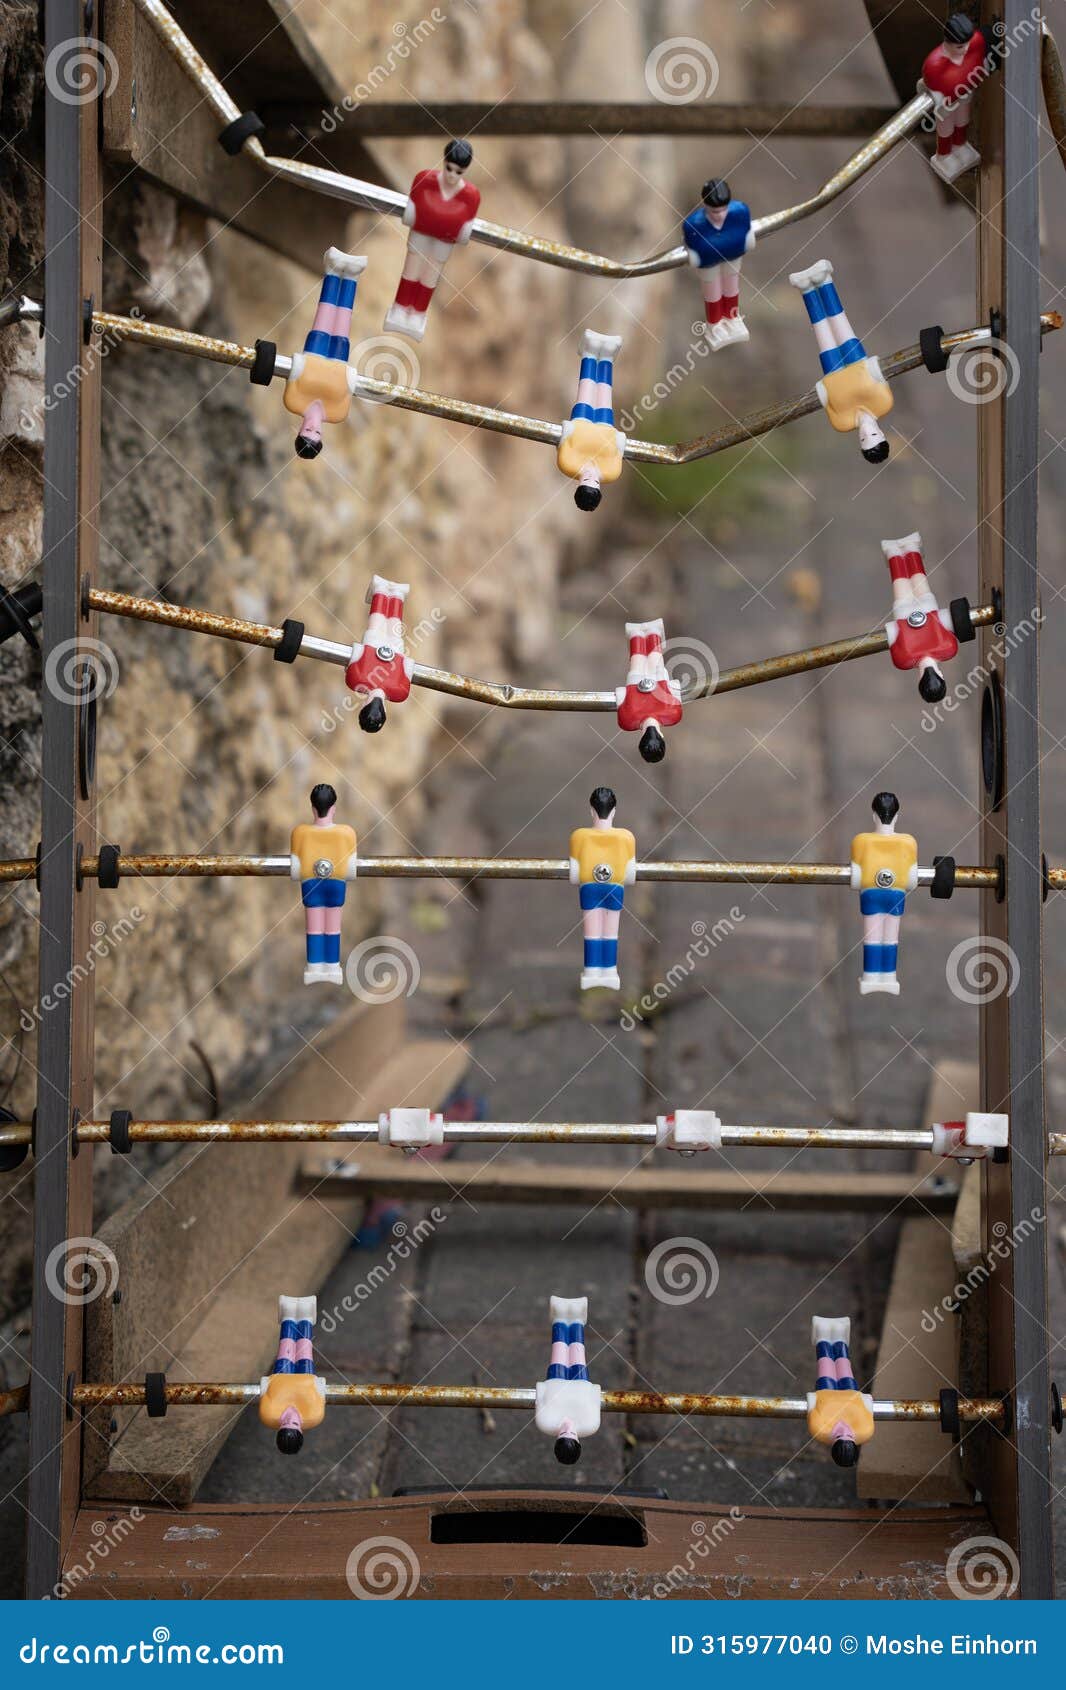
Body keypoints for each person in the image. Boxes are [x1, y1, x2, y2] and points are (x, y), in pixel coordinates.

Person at [789, 259, 892, 463]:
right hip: (857, 362)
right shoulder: (883, 404)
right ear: (881, 434)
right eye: (872, 436)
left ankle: (806, 289)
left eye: (863, 439)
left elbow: (826, 399)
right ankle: (824, 280)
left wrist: (824, 389)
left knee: (821, 329)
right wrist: (872, 369)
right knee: (839, 322)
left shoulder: (842, 423)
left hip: (833, 372)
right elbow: (879, 377)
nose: (865, 433)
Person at [384, 139, 481, 343]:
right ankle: (400, 308)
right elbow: (411, 208)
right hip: (420, 235)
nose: (453, 176)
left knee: (430, 276)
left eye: (459, 172)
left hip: (443, 242)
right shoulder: (425, 180)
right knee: (411, 271)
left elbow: (465, 228)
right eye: (449, 169)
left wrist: (455, 227)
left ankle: (418, 312)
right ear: (444, 162)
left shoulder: (470, 196)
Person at [283, 248, 367, 461]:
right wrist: (349, 378)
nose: (313, 429)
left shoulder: (293, 402)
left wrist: (299, 366)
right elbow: (349, 387)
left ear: (299, 431)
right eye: (317, 434)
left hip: (314, 354)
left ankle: (332, 269)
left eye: (307, 433)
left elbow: (294, 375)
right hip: (339, 360)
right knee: (343, 318)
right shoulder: (338, 414)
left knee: (326, 312)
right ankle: (351, 276)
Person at [849, 792, 918, 995]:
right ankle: (889, 976)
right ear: (897, 816)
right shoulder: (908, 842)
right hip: (896, 895)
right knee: (890, 939)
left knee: (872, 938)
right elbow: (912, 879)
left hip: (871, 894)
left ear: (873, 816)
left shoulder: (861, 841)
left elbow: (856, 875)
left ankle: (870, 976)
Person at [569, 787, 636, 990]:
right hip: (615, 888)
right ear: (614, 811)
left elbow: (574, 872)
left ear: (591, 811)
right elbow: (631, 873)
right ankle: (609, 971)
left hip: (589, 887)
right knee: (610, 933)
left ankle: (591, 971)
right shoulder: (626, 837)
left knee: (591, 932)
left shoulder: (579, 837)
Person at [290, 784, 358, 985]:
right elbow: (351, 868)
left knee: (314, 928)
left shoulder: (300, 833)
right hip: (336, 884)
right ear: (334, 808)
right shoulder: (347, 833)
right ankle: (332, 966)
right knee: (332, 929)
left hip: (311, 884)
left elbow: (295, 868)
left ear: (312, 808)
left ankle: (314, 967)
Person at [882, 532, 958, 702]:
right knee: (900, 582)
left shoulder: (948, 648)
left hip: (928, 608)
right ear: (918, 681)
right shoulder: (902, 660)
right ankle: (893, 552)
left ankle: (911, 548)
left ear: (941, 675)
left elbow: (947, 620)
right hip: (903, 612)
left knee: (918, 578)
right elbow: (891, 633)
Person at [556, 330, 626, 511]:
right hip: (605, 427)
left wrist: (568, 431)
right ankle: (607, 358)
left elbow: (566, 440)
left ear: (579, 484)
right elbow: (618, 448)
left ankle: (590, 352)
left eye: (587, 480)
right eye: (595, 482)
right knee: (604, 392)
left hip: (582, 423)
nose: (591, 476)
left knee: (586, 388)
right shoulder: (611, 472)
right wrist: (619, 441)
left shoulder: (568, 465)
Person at [682, 177, 755, 348]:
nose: (720, 214)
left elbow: (746, 231)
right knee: (713, 292)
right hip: (709, 264)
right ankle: (714, 324)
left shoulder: (740, 213)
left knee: (731, 288)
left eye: (723, 209)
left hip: (733, 258)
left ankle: (732, 317)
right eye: (715, 212)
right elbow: (692, 244)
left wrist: (747, 237)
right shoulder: (694, 225)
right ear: (706, 207)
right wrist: (693, 254)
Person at [920, 13, 987, 183]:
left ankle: (960, 145)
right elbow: (937, 83)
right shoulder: (935, 64)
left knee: (962, 120)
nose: (964, 50)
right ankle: (944, 156)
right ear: (948, 43)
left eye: (966, 45)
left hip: (964, 95)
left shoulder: (974, 44)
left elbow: (977, 61)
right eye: (959, 47)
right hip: (945, 103)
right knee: (946, 128)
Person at [534, 1295, 600, 1465]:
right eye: (571, 1436)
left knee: (560, 1349)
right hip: (580, 1384)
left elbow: (540, 1397)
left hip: (556, 1381)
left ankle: (561, 1316)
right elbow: (595, 1397)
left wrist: (542, 1387)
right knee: (577, 1350)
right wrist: (594, 1389)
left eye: (563, 1436)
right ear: (578, 1442)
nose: (567, 1431)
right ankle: (576, 1318)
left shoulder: (546, 1423)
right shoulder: (590, 1425)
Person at [345, 575, 415, 732]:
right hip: (374, 643)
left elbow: (408, 666)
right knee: (379, 621)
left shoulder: (400, 692)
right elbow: (356, 652)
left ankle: (397, 593)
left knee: (393, 624)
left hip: (395, 649)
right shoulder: (356, 680)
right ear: (363, 705)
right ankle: (381, 589)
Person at [258, 1295, 326, 1454]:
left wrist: (266, 1385)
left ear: (279, 1430)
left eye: (285, 1425)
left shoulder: (269, 1415)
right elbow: (319, 1394)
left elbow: (266, 1392)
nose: (290, 1421)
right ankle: (305, 1316)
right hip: (305, 1377)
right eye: (294, 1425)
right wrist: (319, 1386)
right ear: (301, 1431)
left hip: (281, 1377)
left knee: (286, 1345)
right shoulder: (313, 1416)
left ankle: (288, 1315)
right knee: (304, 1345)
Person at [806, 1316, 874, 1468]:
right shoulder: (865, 1430)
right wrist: (865, 1401)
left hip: (827, 1391)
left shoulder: (821, 1430)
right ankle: (839, 1338)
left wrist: (812, 1400)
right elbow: (867, 1408)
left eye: (840, 1439)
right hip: (850, 1392)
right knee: (843, 1363)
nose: (844, 1434)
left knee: (826, 1362)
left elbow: (813, 1408)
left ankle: (823, 1336)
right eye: (848, 1440)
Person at [616, 618, 683, 762]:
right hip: (639, 680)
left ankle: (651, 632)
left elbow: (675, 687)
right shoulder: (627, 720)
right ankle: (637, 634)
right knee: (639, 660)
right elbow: (620, 694)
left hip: (655, 679)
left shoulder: (673, 713)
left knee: (652, 658)